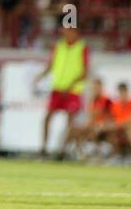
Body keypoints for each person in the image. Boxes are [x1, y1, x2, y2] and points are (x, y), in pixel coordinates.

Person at [35, 23, 90, 156]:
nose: (66, 33)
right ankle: (44, 148)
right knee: (48, 118)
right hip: (58, 88)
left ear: (75, 32)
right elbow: (52, 64)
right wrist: (40, 76)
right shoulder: (59, 46)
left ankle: (63, 150)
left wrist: (70, 86)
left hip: (73, 90)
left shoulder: (82, 48)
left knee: (69, 121)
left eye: (68, 31)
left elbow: (85, 71)